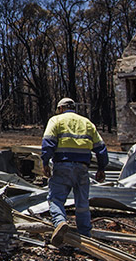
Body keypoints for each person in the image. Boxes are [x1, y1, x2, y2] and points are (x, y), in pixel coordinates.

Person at [41, 98, 108, 236]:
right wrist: (101, 168)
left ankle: (60, 223)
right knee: (82, 204)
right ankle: (85, 235)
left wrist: (45, 162)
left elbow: (48, 143)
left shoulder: (56, 120)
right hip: (82, 168)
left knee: (56, 199)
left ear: (60, 109)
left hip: (62, 166)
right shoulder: (87, 123)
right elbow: (101, 148)